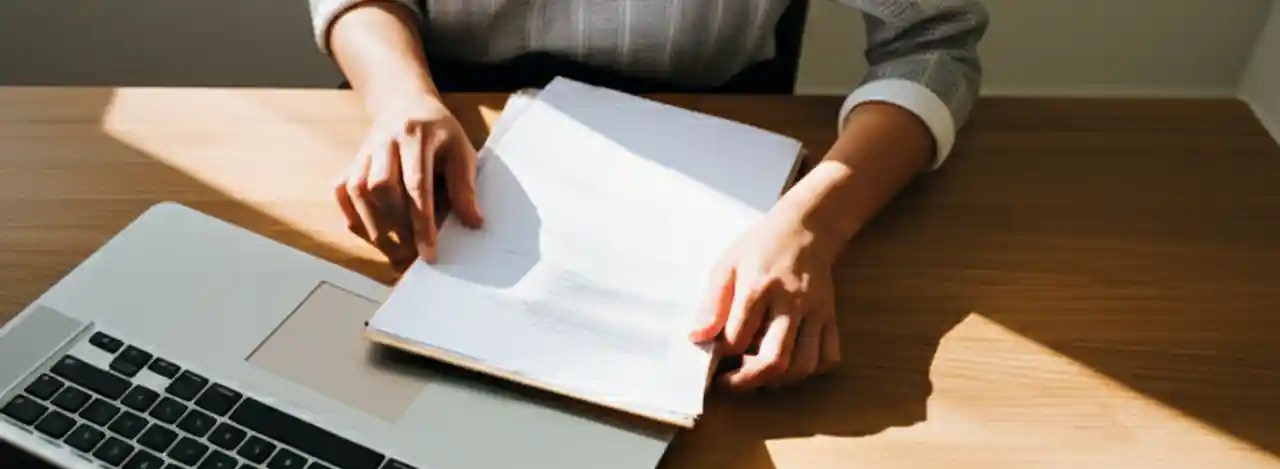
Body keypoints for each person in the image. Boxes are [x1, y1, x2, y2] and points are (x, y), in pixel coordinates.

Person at [307, 0, 988, 391]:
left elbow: (934, 45)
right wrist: (398, 96)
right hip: (440, 140)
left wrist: (817, 223)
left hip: (720, 161)